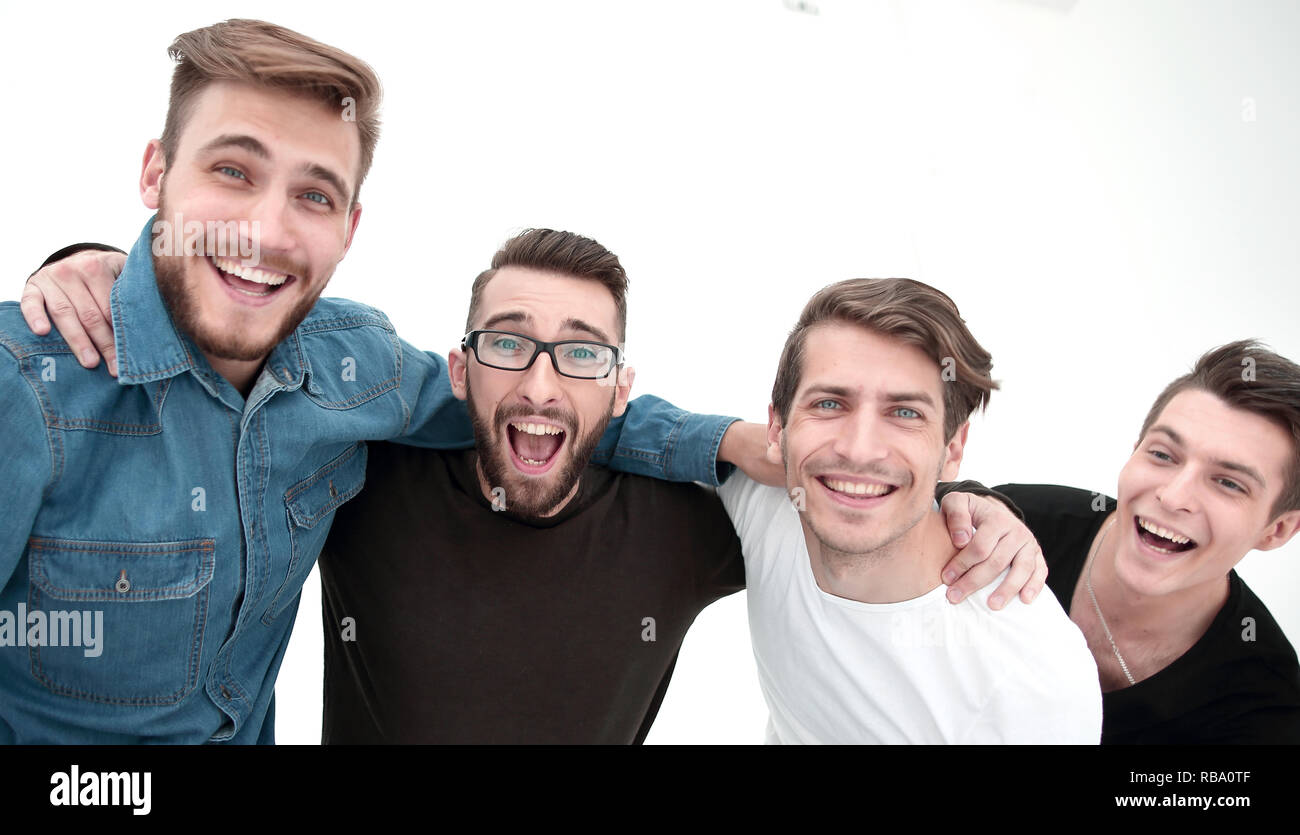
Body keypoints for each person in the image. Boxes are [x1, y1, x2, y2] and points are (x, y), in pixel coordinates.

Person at [0, 19, 741, 744]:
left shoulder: (356, 369)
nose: (264, 229)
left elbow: (512, 399)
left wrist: (735, 443)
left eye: (314, 195)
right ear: (155, 173)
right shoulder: (25, 388)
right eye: (233, 171)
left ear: (350, 227)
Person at [317, 231, 1046, 743]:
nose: (541, 386)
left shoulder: (680, 526)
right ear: (459, 368)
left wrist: (974, 501)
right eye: (507, 343)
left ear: (621, 387)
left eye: (580, 353)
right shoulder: (354, 484)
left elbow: (846, 492)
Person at [719, 278, 1103, 743]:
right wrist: (730, 439)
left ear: (953, 448)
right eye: (829, 403)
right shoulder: (767, 500)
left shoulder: (1033, 681)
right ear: (777, 427)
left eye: (905, 413)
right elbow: (621, 425)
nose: (859, 450)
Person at [995, 340, 1300, 743]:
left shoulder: (1263, 704)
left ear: (1275, 530)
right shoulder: (1011, 520)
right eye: (1163, 455)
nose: (1173, 497)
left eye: (1227, 483)